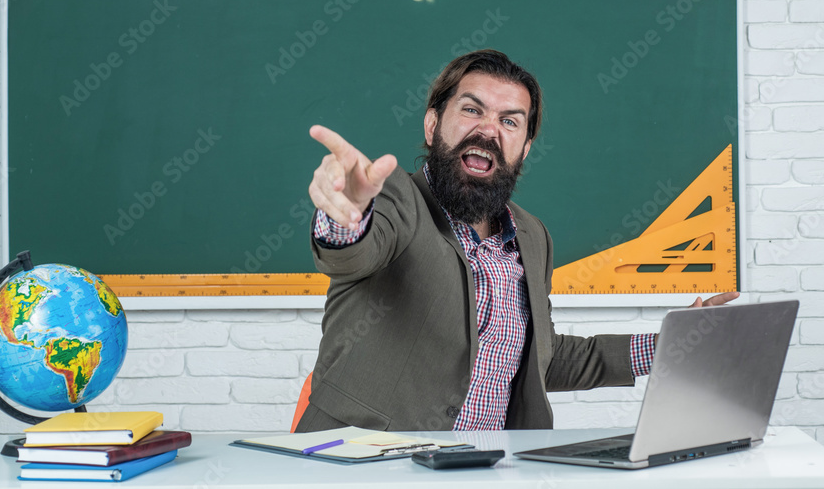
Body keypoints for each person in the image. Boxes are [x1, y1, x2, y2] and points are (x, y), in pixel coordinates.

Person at [296, 49, 737, 433]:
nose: (489, 130)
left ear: (524, 149)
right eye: (472, 110)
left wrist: (669, 345)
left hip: (486, 468)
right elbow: (353, 252)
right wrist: (346, 215)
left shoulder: (532, 236)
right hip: (368, 465)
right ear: (432, 126)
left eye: (510, 121)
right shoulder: (395, 195)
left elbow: (541, 357)